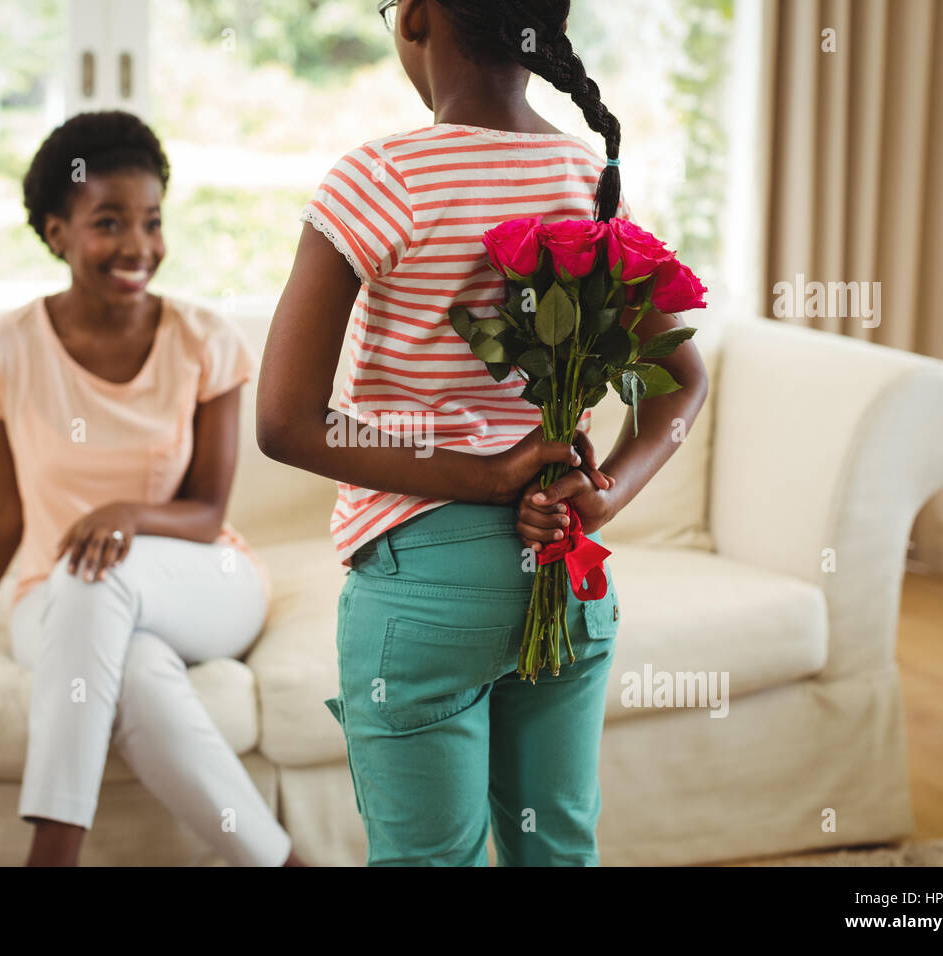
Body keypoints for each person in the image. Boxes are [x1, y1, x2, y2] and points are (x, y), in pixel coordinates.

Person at [256, 0, 708, 865]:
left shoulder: (379, 178)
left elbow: (284, 421)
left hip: (425, 588)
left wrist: (492, 475)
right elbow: (681, 380)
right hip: (568, 570)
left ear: (418, 16)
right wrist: (603, 493)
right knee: (558, 851)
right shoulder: (587, 175)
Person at [0, 110, 303, 867]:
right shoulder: (6, 350)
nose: (139, 246)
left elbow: (209, 512)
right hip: (57, 595)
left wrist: (126, 513)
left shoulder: (205, 339)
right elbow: (4, 511)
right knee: (135, 669)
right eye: (109, 222)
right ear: (57, 233)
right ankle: (284, 864)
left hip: (202, 580)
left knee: (98, 575)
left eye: (151, 220)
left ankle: (54, 847)